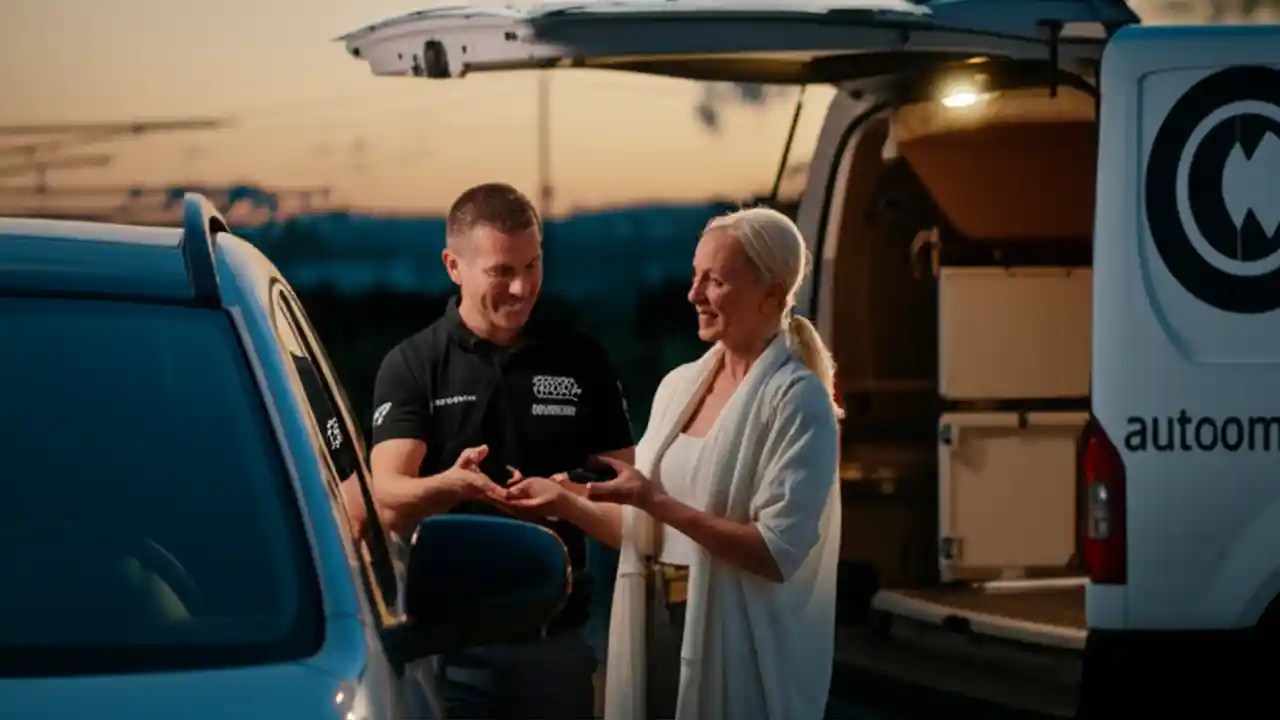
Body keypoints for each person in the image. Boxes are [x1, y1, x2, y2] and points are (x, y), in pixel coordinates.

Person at [502, 205, 843, 720]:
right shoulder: (679, 386)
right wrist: (568, 502)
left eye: (716, 281)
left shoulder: (797, 400)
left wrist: (653, 500)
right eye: (694, 277)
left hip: (734, 643)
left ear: (771, 293)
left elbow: (776, 553)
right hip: (657, 624)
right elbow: (643, 530)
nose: (694, 295)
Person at [367, 182, 636, 720]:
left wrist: (569, 499)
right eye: (500, 272)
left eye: (532, 265)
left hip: (558, 648)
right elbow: (388, 501)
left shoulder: (579, 358)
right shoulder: (414, 364)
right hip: (447, 652)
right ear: (453, 266)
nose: (521, 287)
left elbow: (633, 511)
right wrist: (451, 486)